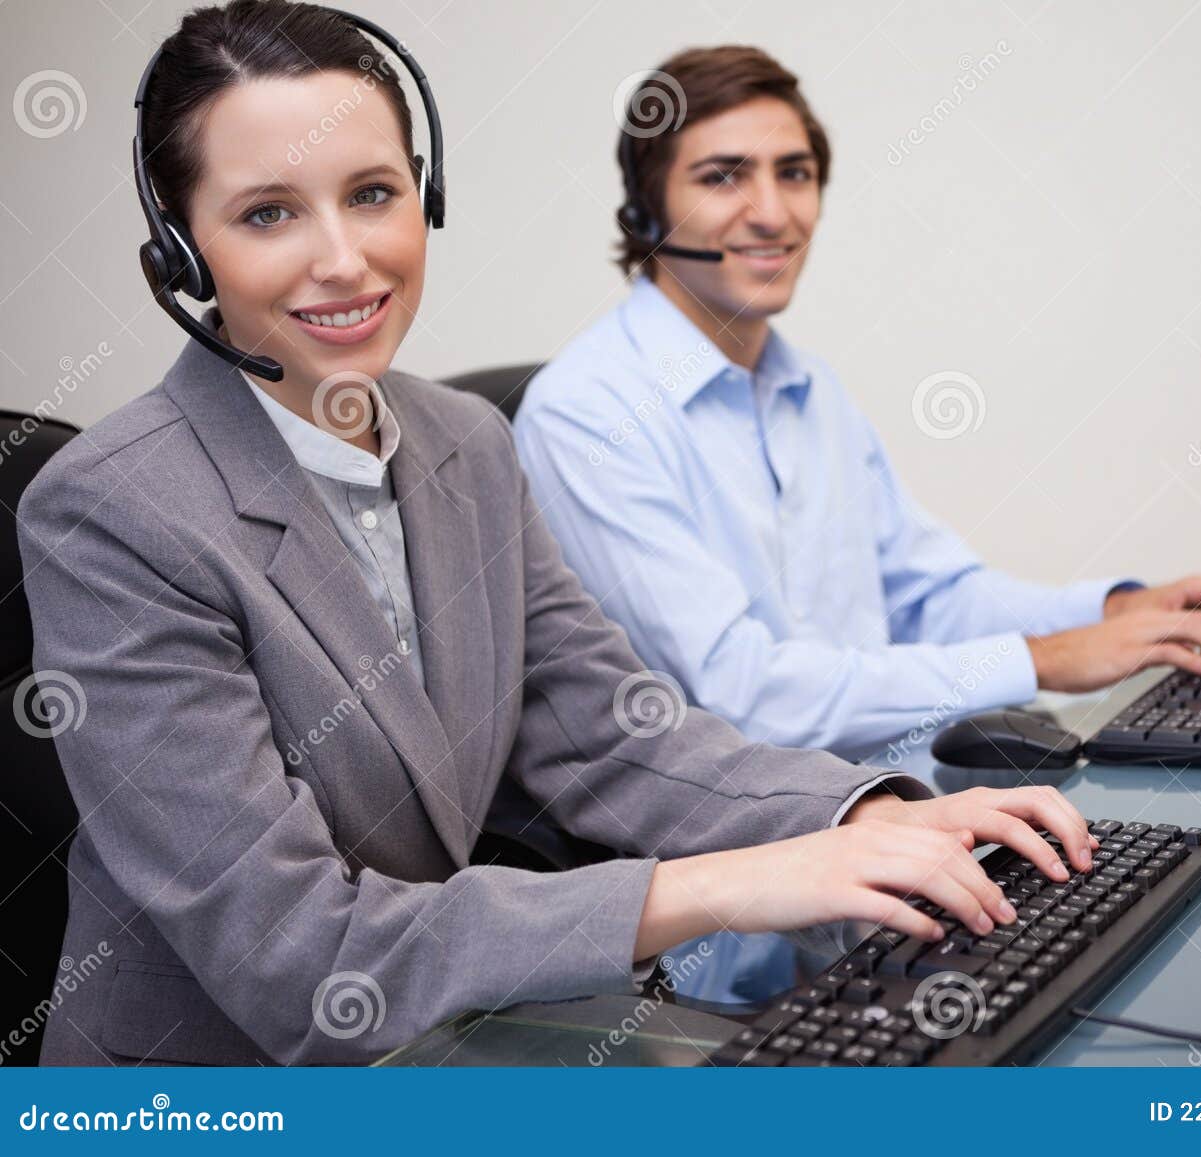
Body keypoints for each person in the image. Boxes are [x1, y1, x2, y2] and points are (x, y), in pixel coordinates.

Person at [18, 1, 1098, 1066]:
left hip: (442, 1040)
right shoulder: (113, 513)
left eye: (373, 193)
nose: (345, 258)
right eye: (267, 214)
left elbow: (614, 729)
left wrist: (857, 813)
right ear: (182, 254)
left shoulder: (468, 445)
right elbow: (299, 954)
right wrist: (725, 882)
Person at [513, 47, 1201, 1001]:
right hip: (749, 937)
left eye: (794, 173)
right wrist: (1045, 659)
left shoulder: (804, 385)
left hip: (915, 846)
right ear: (645, 212)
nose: (773, 210)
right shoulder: (587, 413)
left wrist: (1119, 610)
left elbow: (931, 590)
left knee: (1187, 943)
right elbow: (747, 694)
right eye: (723, 176)